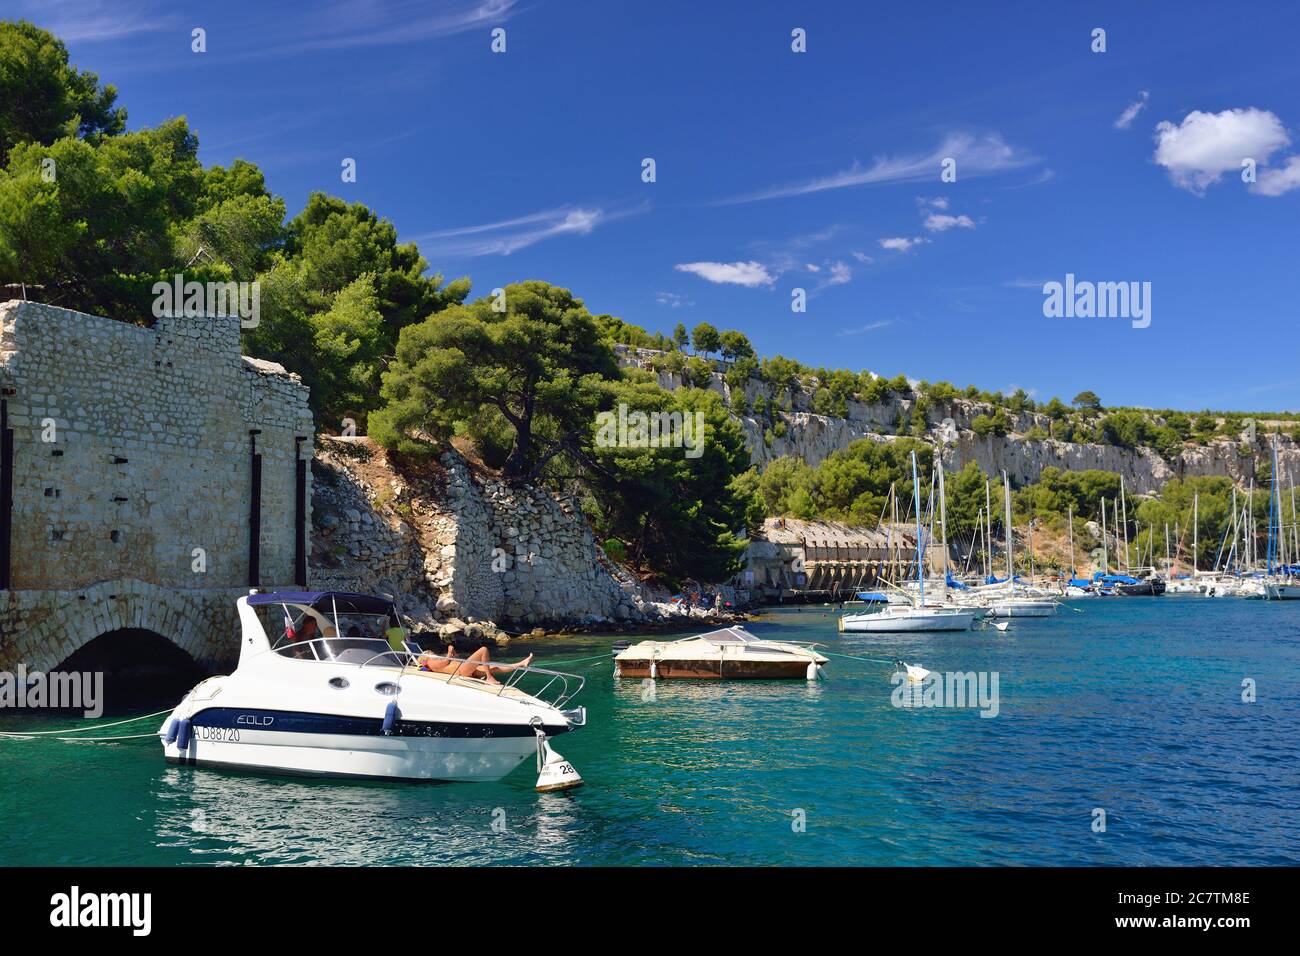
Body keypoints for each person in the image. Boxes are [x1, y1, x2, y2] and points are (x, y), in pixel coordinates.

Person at [417, 644, 534, 685]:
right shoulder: (430, 662)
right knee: (483, 650)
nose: (432, 653)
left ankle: (521, 663)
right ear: (425, 658)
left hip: (464, 669)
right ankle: (489, 678)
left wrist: (452, 654)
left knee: (494, 667)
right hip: (461, 671)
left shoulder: (433, 661)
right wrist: (449, 651)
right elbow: (445, 662)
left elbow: (446, 662)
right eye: (430, 652)